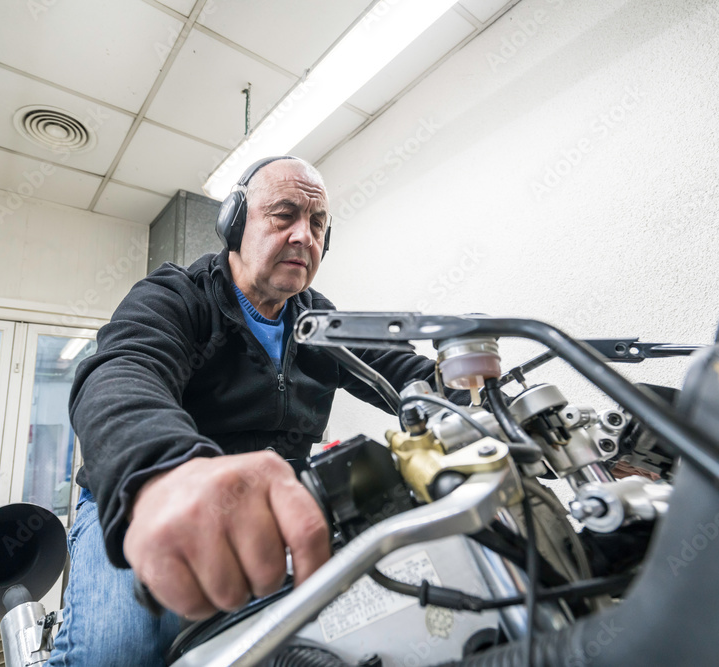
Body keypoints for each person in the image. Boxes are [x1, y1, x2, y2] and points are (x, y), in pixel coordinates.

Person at [48, 156, 458, 666]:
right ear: (235, 224)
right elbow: (121, 373)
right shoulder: (178, 297)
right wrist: (166, 470)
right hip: (150, 493)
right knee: (119, 652)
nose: (304, 236)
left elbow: (403, 372)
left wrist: (465, 389)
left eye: (317, 223)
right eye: (284, 214)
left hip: (272, 506)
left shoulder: (320, 322)